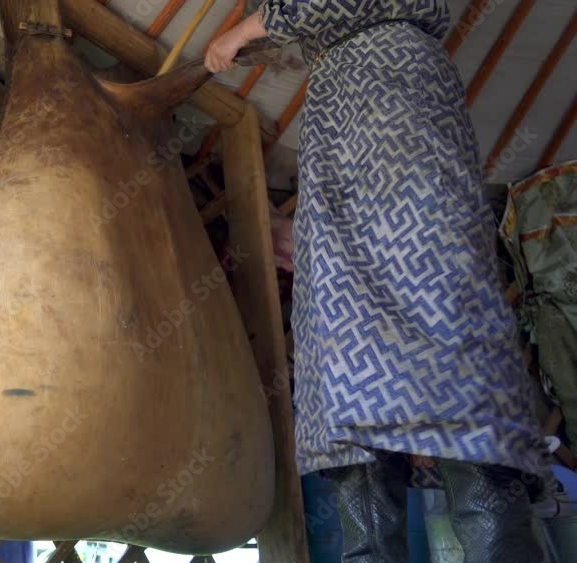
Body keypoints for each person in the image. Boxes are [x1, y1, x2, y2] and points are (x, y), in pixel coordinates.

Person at [205, 2, 549, 562]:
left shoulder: (385, 38)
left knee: (444, 318)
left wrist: (244, 29)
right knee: (353, 348)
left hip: (385, 95)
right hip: (348, 110)